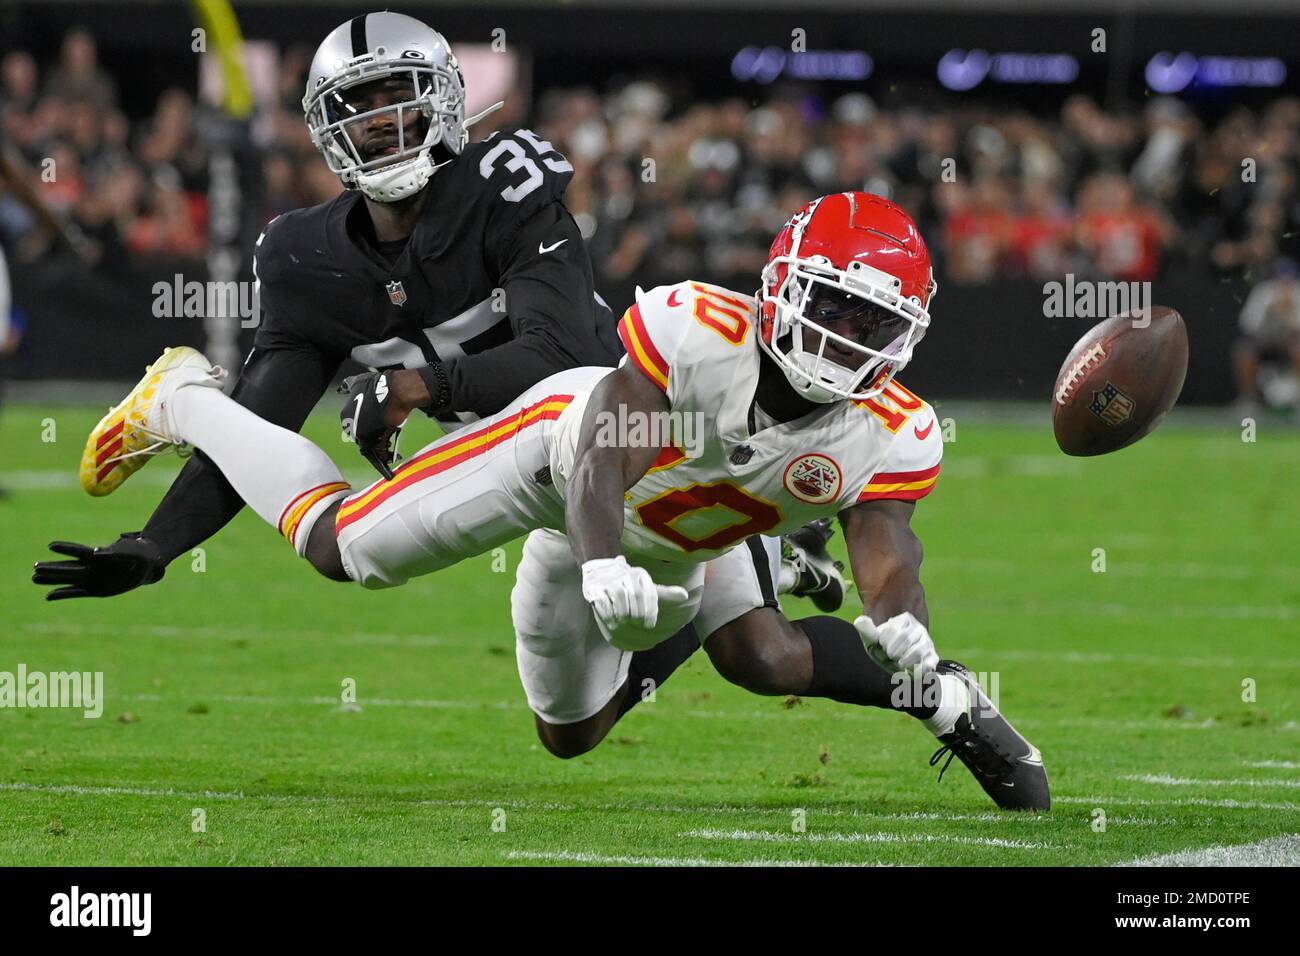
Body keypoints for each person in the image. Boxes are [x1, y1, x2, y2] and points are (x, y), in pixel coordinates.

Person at [39, 192, 1050, 810]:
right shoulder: (697, 328)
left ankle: (948, 700)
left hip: (681, 521)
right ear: (781, 282)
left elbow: (886, 544)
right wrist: (602, 556)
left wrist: (902, 626)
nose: (836, 336)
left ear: (906, 333)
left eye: (864, 318)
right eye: (825, 303)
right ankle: (185, 396)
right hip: (562, 467)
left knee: (744, 665)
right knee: (343, 547)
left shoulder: (896, 425)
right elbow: (608, 445)